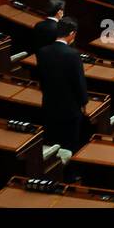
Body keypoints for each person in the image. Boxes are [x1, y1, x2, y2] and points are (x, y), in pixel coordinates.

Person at [36, 17, 89, 151]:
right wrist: (84, 102)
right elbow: (78, 81)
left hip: (49, 103)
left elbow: (41, 78)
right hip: (69, 108)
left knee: (52, 140)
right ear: (72, 34)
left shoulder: (42, 52)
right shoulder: (73, 54)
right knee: (70, 143)